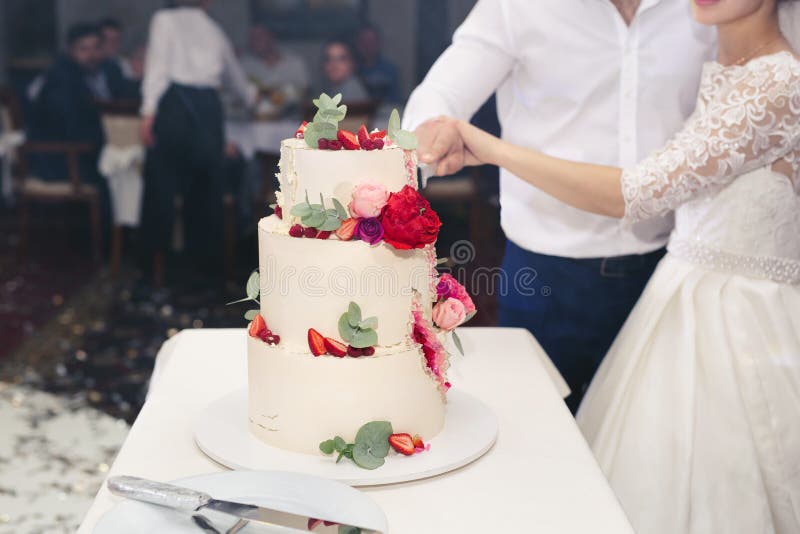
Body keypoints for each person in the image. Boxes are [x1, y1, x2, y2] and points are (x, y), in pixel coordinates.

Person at [447, 1, 800, 532]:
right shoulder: (729, 68)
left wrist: (494, 150)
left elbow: (634, 192)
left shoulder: (777, 82)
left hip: (739, 323)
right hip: (676, 303)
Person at [403, 0, 717, 412]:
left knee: (649, 440)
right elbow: (443, 92)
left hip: (669, 269)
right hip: (547, 275)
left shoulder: (709, 8)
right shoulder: (517, 7)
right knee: (538, 433)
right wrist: (431, 135)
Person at [139, 0, 257, 280]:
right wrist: (251, 99)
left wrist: (148, 112)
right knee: (205, 193)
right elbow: (235, 77)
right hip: (207, 110)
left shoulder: (163, 20)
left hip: (174, 108)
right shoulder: (213, 28)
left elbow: (157, 69)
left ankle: (156, 269)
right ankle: (204, 272)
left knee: (162, 190)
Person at [27, 22, 111, 240]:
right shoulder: (62, 78)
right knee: (115, 171)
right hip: (59, 159)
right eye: (83, 49)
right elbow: (70, 127)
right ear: (71, 50)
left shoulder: (99, 73)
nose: (91, 55)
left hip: (77, 151)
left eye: (95, 48)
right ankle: (110, 245)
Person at [240, 23, 309, 112]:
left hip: (291, 120)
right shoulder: (244, 65)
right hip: (253, 121)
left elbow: (306, 95)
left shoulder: (295, 64)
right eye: (252, 37)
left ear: (271, 37)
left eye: (260, 36)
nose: (255, 41)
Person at [356, 24, 401, 103]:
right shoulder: (353, 70)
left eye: (371, 41)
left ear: (379, 44)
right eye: (364, 41)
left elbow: (395, 100)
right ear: (359, 44)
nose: (367, 45)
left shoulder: (389, 70)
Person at [97, 17, 140, 99]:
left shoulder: (126, 64)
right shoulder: (90, 65)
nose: (112, 44)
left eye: (116, 40)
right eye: (107, 39)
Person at [318, 37, 368, 103]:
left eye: (341, 59)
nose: (333, 64)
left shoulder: (351, 93)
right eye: (328, 59)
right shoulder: (337, 89)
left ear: (352, 63)